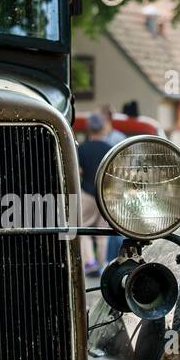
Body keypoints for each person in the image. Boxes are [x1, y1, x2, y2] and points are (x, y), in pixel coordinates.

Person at [77, 113, 113, 274]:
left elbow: (78, 172)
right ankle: (101, 264)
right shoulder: (109, 148)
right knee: (103, 232)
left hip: (87, 193)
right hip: (105, 194)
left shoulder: (82, 148)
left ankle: (89, 262)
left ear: (89, 128)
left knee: (82, 228)